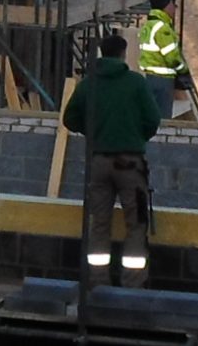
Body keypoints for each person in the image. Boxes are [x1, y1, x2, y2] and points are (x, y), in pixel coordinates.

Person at [62, 33, 163, 274]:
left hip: (99, 162)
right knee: (136, 223)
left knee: (99, 223)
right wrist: (136, 137)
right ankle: (132, 285)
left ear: (102, 54)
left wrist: (93, 132)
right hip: (131, 163)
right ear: (123, 54)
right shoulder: (136, 83)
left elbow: (69, 119)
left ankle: (97, 283)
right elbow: (153, 119)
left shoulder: (88, 84)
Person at [137, 0, 185, 121]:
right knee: (163, 119)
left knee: (150, 115)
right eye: (172, 5)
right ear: (165, 7)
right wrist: (183, 70)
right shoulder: (163, 28)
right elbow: (171, 56)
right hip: (163, 78)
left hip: (150, 76)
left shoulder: (149, 25)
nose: (174, 9)